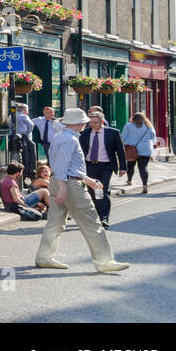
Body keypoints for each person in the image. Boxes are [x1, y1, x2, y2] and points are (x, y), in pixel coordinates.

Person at [34, 107, 129, 273]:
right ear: (79, 123)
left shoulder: (60, 137)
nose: (85, 124)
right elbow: (63, 167)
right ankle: (104, 261)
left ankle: (44, 257)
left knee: (55, 223)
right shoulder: (70, 140)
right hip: (69, 185)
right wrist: (64, 189)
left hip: (58, 181)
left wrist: (88, 180)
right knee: (92, 222)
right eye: (84, 121)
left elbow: (64, 166)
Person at [80, 110, 125, 227]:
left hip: (106, 165)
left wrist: (123, 167)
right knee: (91, 192)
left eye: (95, 123)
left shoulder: (113, 133)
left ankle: (104, 217)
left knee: (102, 190)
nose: (92, 125)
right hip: (89, 165)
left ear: (102, 122)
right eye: (91, 123)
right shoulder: (84, 133)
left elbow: (120, 151)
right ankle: (95, 216)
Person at [120, 111, 156, 193]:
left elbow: (123, 137)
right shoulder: (149, 126)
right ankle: (144, 185)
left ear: (133, 118)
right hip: (146, 149)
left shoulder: (128, 125)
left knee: (130, 165)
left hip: (131, 148)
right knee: (143, 167)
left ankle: (129, 180)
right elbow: (153, 137)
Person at [9, 103, 36, 183]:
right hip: (24, 139)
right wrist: (26, 133)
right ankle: (31, 173)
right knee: (29, 157)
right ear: (24, 110)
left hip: (14, 139)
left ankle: (23, 176)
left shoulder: (11, 116)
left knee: (21, 158)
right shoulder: (23, 116)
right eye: (27, 110)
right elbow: (31, 125)